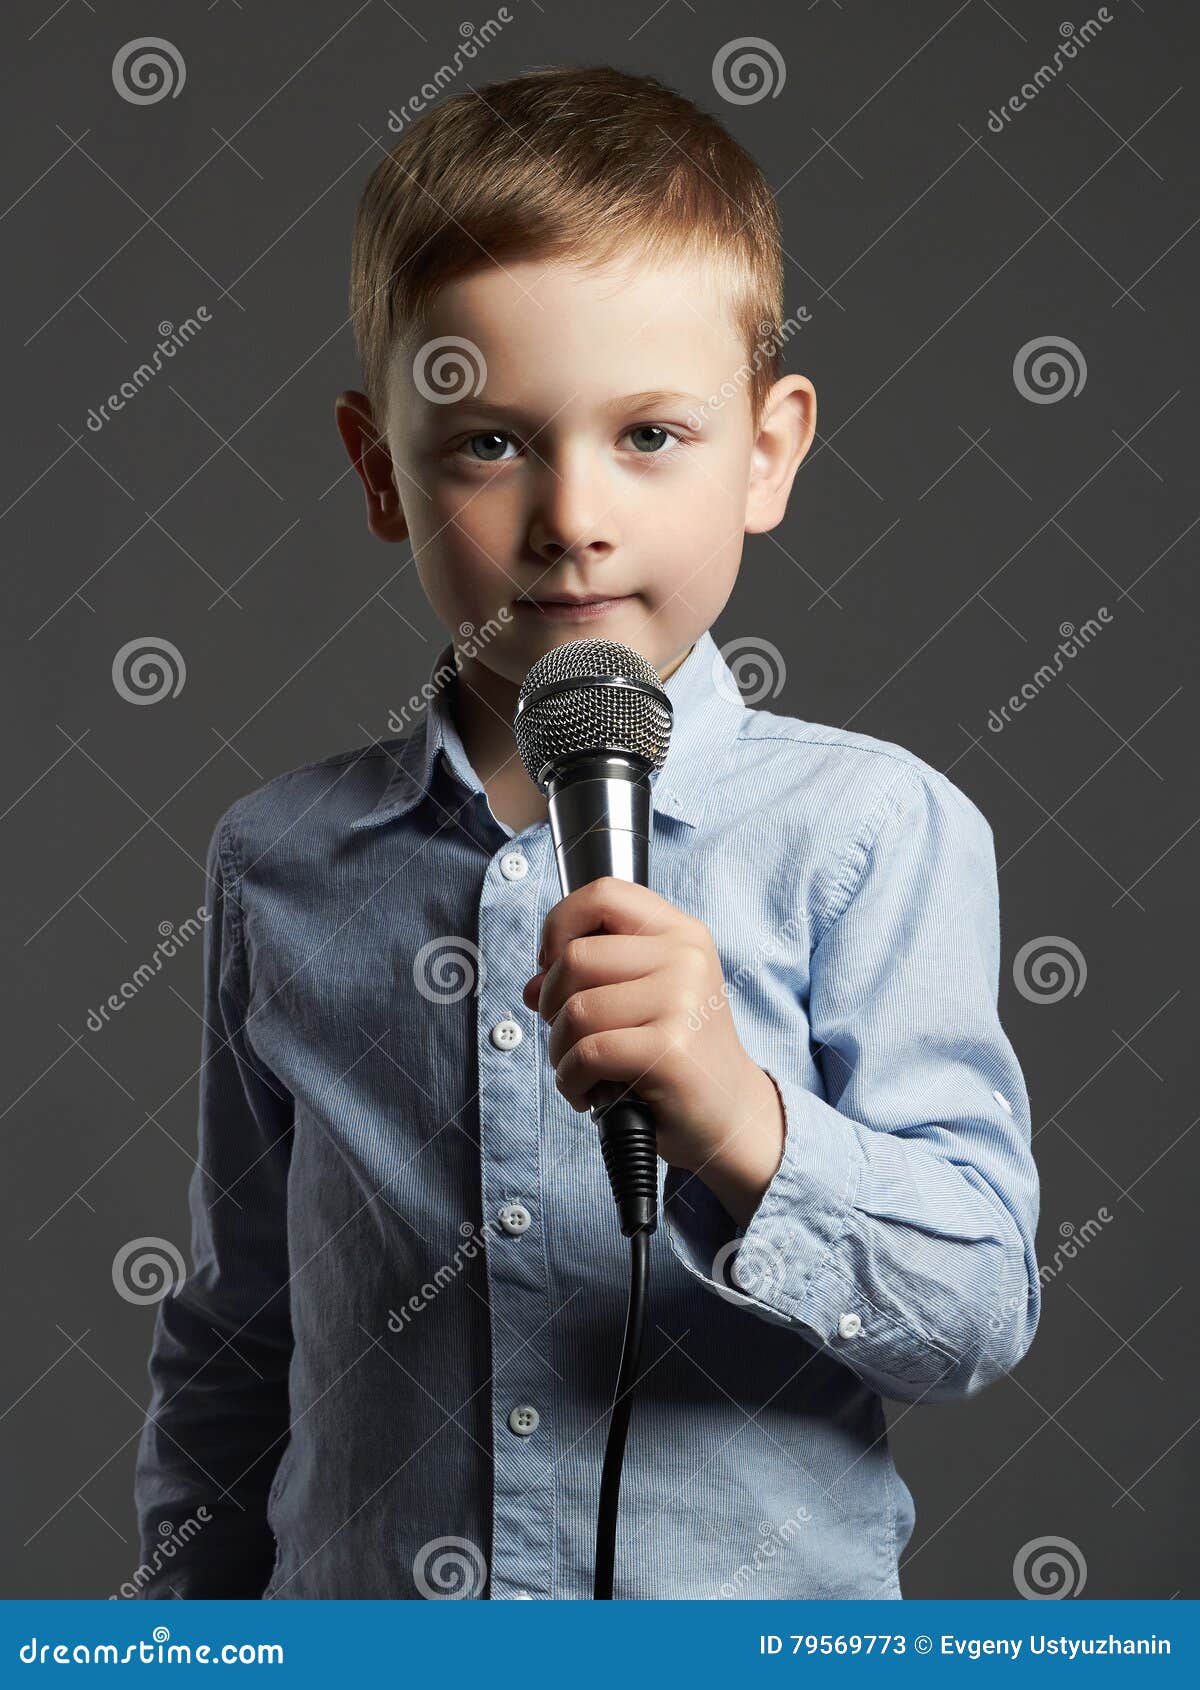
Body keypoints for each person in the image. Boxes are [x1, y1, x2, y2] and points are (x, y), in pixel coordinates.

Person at [132, 64, 1040, 1600]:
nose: (572, 513)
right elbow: (237, 1333)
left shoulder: (872, 830)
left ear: (766, 450)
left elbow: (975, 1303)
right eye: (490, 442)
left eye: (650, 435)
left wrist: (742, 1118)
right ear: (379, 468)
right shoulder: (281, 858)